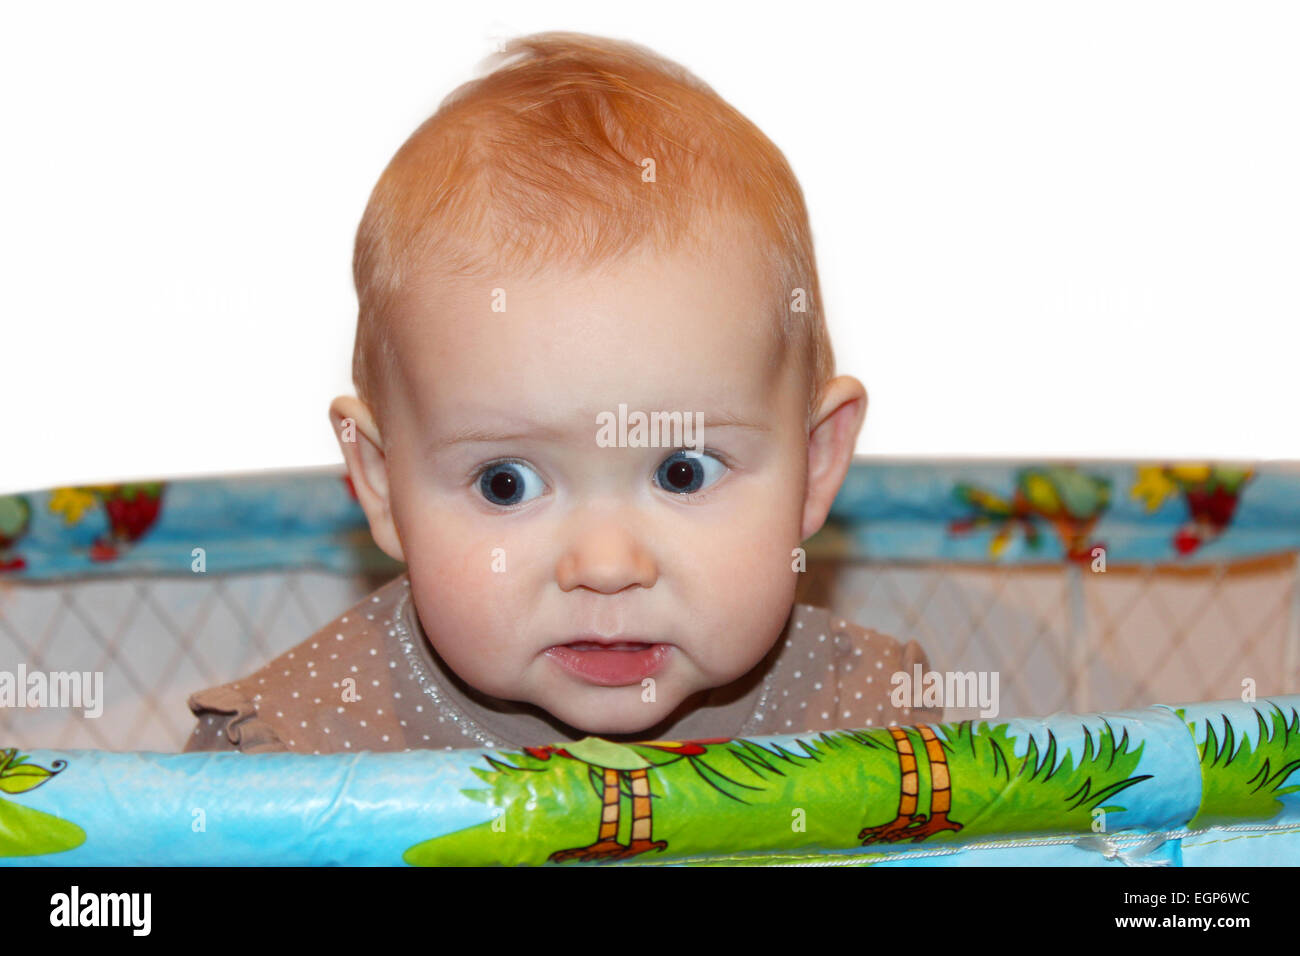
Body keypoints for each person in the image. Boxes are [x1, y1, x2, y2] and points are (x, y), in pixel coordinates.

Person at [184, 31, 939, 754]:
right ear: (381, 485)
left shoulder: (882, 729)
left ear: (816, 464)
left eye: (684, 471)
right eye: (505, 483)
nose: (606, 565)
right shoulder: (294, 752)